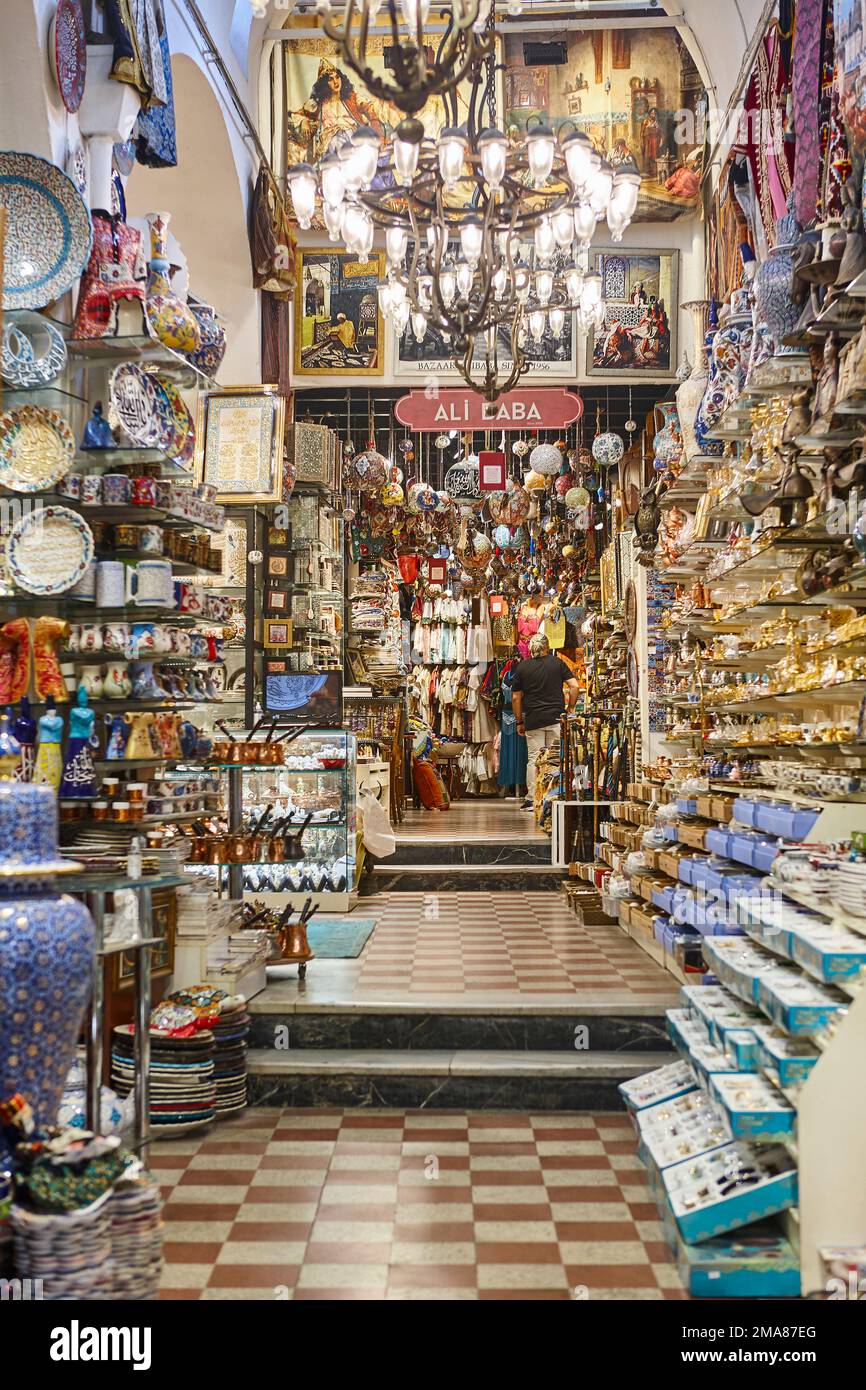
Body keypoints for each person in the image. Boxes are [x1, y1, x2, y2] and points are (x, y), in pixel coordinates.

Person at [511, 632, 580, 810]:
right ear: (547, 647)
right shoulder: (557, 663)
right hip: (556, 718)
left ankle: (532, 799)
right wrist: (570, 707)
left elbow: (516, 698)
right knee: (555, 759)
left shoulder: (523, 667)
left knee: (534, 759)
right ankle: (553, 797)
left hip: (533, 721)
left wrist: (519, 721)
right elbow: (574, 686)